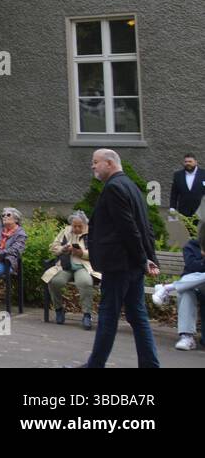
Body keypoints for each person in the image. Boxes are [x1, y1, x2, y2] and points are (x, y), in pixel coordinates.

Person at [83, 148, 160, 368]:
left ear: (109, 163)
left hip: (120, 265)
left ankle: (94, 365)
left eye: (95, 162)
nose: (93, 166)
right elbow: (145, 227)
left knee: (108, 316)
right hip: (132, 264)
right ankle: (150, 365)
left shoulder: (115, 187)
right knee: (137, 317)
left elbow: (130, 229)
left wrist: (145, 258)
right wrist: (147, 258)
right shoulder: (130, 186)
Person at [43, 210, 99, 329]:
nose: (77, 228)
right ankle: (59, 310)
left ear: (85, 225)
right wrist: (63, 249)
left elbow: (98, 253)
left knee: (85, 282)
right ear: (71, 224)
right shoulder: (66, 231)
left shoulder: (92, 232)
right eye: (75, 226)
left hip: (83, 266)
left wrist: (81, 253)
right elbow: (53, 247)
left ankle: (87, 315)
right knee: (54, 282)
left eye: (80, 226)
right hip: (65, 265)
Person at [150, 238, 205, 351]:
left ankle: (169, 287)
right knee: (185, 291)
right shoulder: (192, 245)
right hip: (194, 286)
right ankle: (187, 337)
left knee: (184, 287)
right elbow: (194, 267)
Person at [170, 154, 203, 220]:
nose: (187, 163)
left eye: (190, 161)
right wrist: (172, 208)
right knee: (183, 230)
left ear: (196, 162)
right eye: (186, 162)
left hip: (201, 212)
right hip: (183, 211)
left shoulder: (204, 174)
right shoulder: (178, 175)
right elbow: (174, 193)